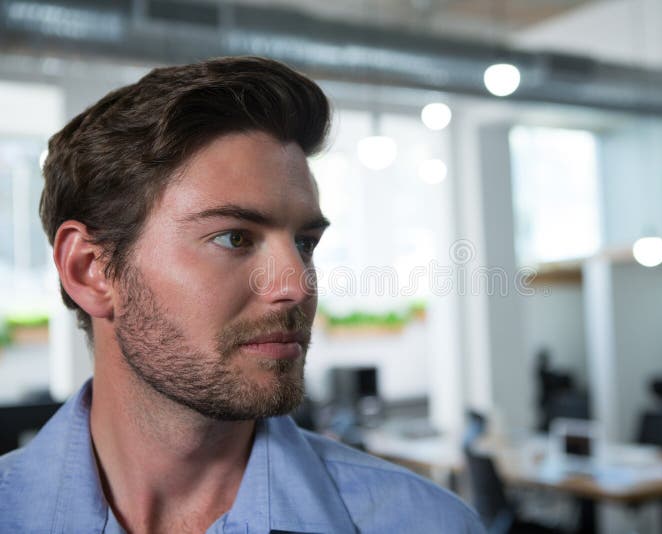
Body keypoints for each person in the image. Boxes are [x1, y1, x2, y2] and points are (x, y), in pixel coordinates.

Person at [0, 56, 484, 533]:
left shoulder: (426, 523)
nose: (297, 286)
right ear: (89, 271)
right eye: (235, 237)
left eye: (305, 243)